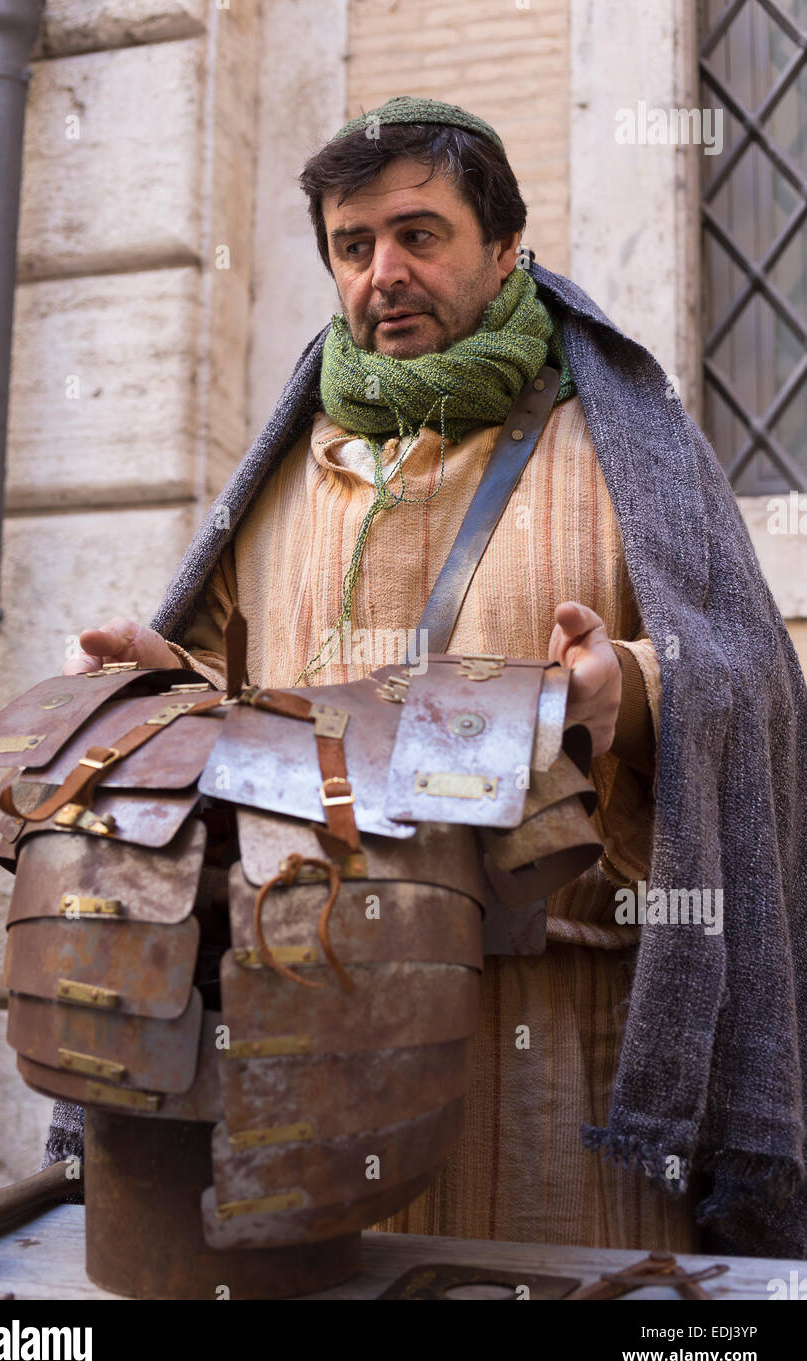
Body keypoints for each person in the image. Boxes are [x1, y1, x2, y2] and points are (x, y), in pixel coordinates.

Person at [45, 97, 807, 1259]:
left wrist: (632, 687)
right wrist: (166, 679)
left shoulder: (627, 451)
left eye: (419, 235)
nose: (382, 273)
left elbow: (753, 678)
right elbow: (236, 689)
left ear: (503, 248)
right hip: (309, 1025)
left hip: (555, 1042)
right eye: (353, 247)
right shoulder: (287, 471)